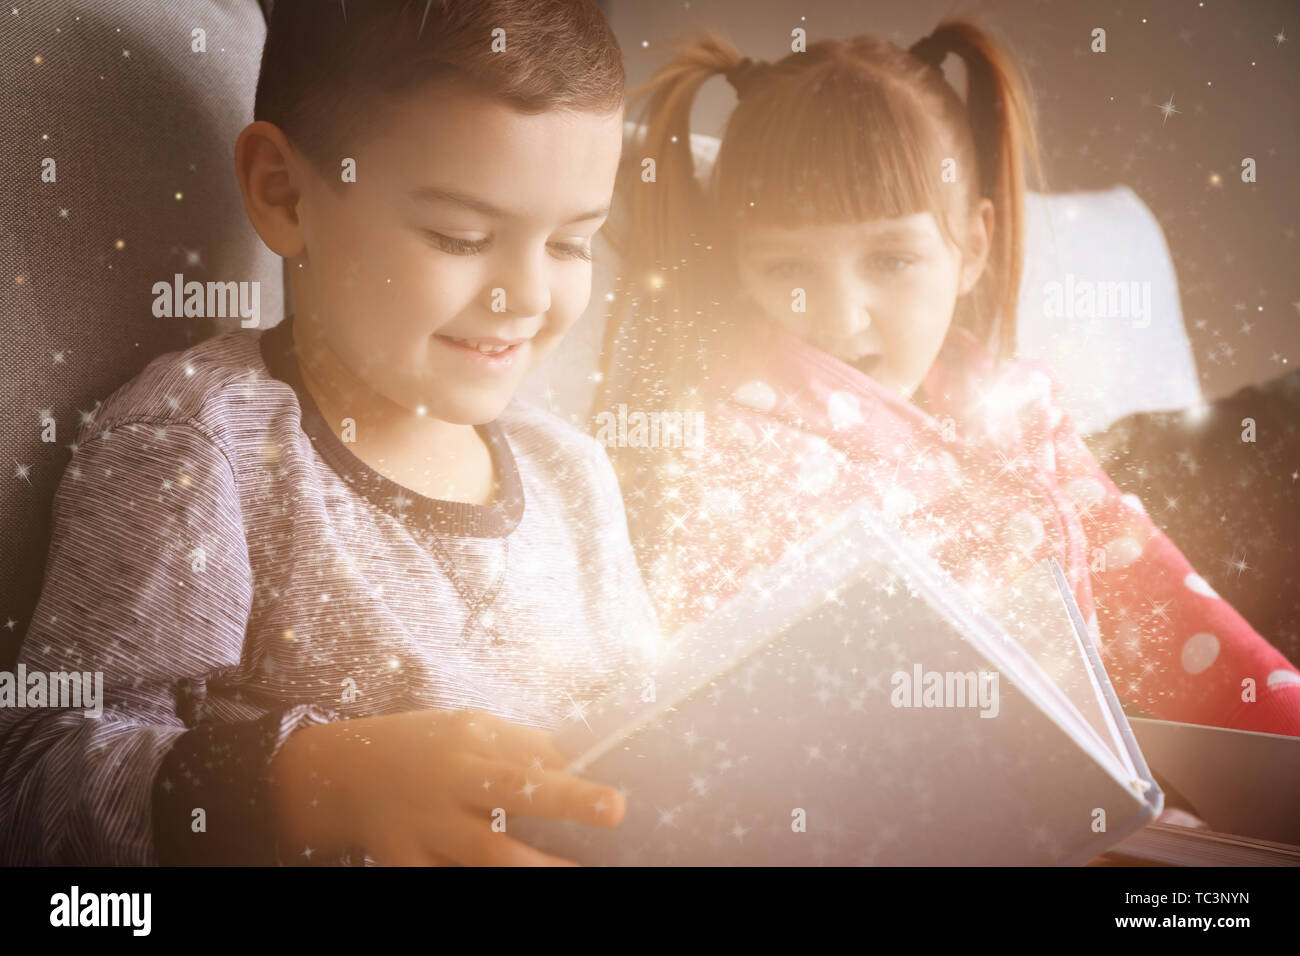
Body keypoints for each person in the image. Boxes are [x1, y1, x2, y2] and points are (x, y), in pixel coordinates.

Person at [0, 0, 662, 866]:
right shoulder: (203, 446)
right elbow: (35, 779)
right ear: (284, 193)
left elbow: (643, 726)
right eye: (460, 237)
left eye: (574, 245)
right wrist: (310, 783)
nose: (528, 298)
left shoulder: (573, 473)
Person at [599, 20, 1300, 737]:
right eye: (788, 268)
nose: (840, 316)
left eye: (890, 261)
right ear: (742, 266)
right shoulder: (731, 446)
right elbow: (743, 709)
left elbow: (1151, 597)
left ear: (971, 247)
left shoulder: (1020, 412)